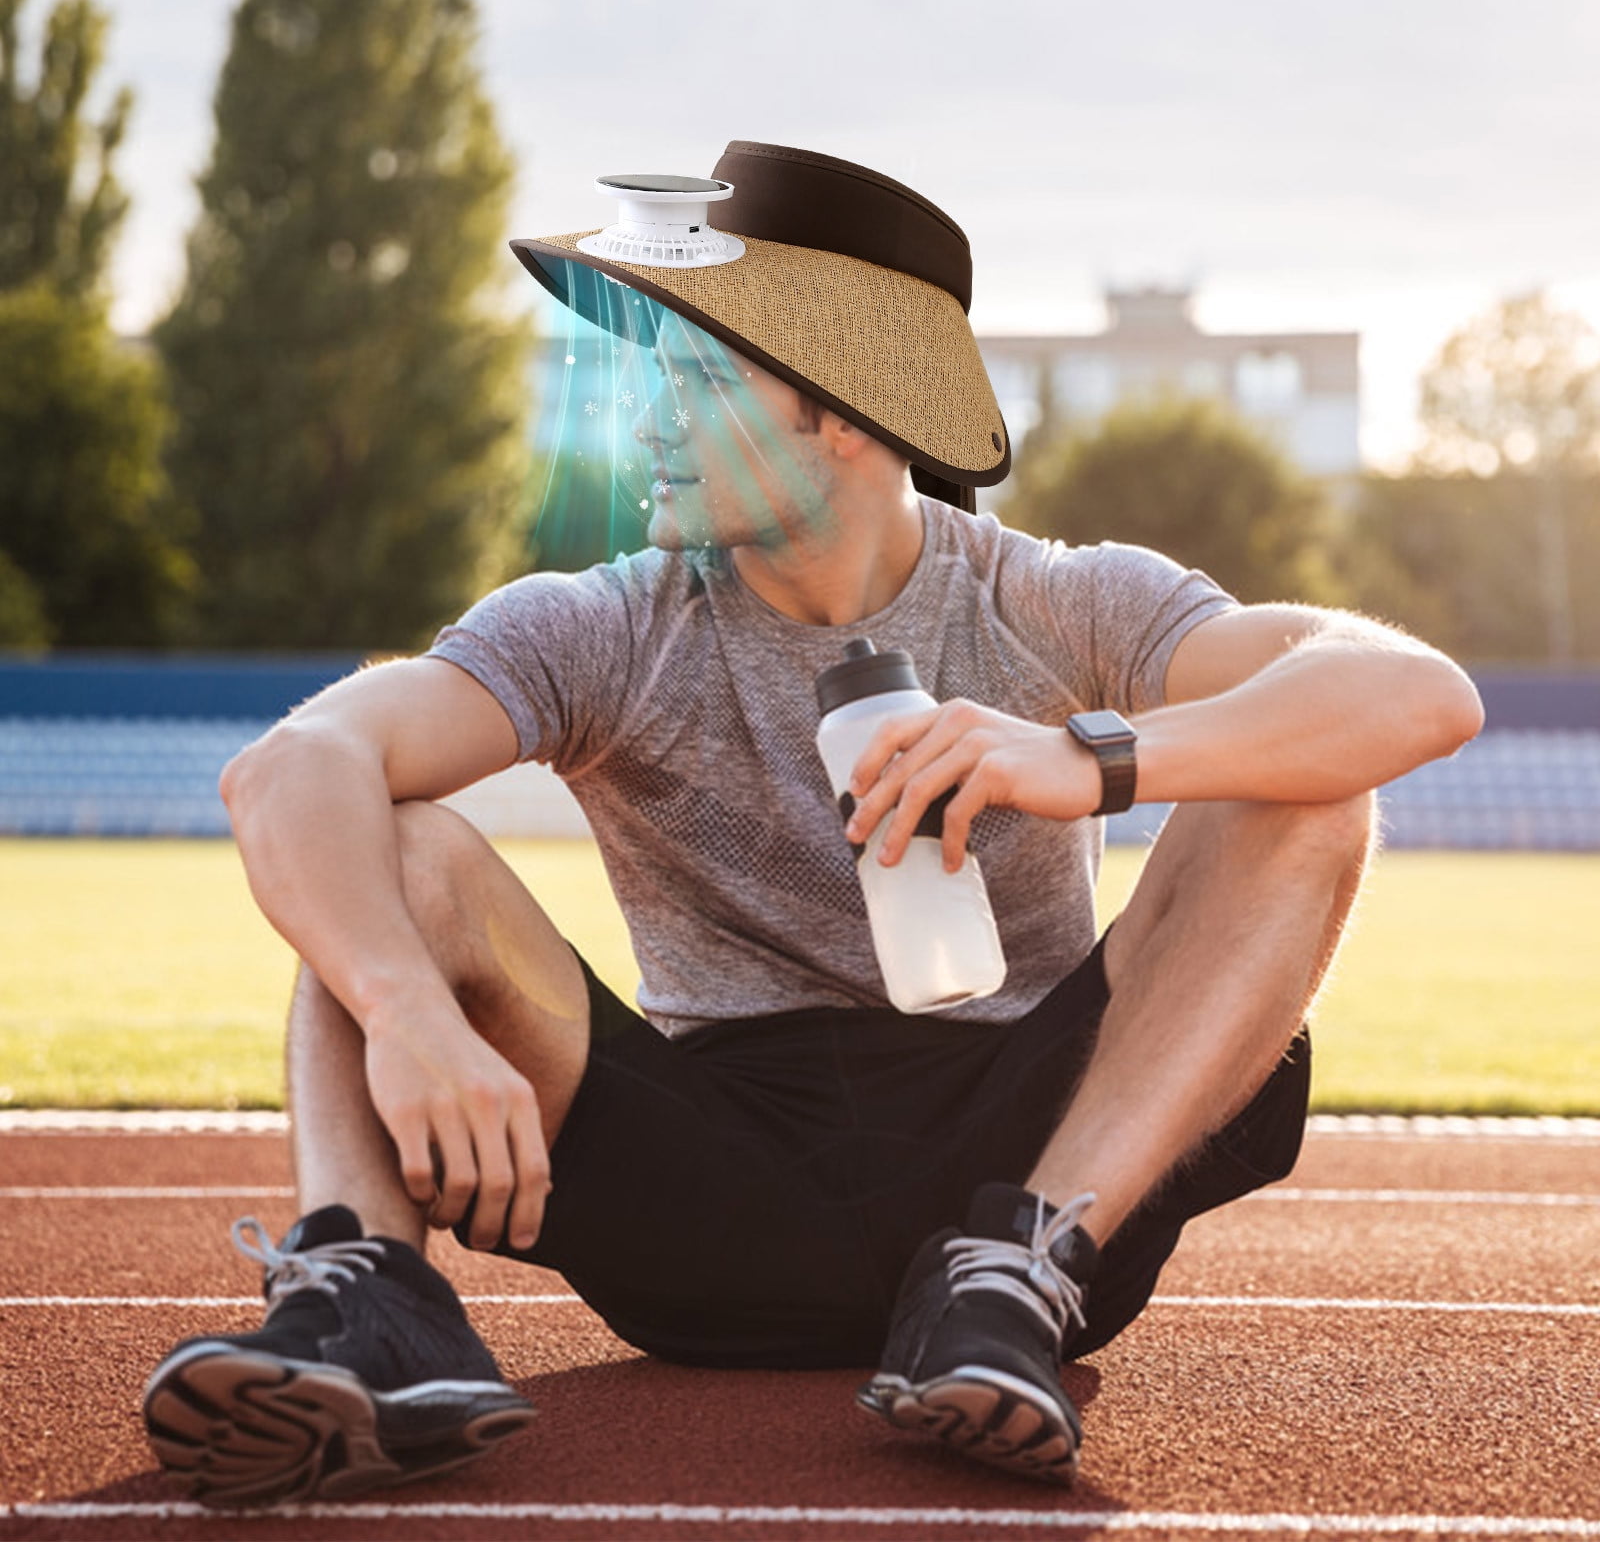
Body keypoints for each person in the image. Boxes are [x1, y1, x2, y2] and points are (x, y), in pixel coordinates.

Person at [141, 141, 1483, 1508]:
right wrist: (409, 1013)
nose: (646, 427)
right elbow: (295, 765)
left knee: (1307, 791)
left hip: (1024, 1156)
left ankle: (1016, 1268)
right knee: (399, 839)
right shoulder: (607, 623)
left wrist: (1086, 759)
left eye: (698, 379)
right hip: (710, 1190)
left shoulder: (1049, 600)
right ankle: (368, 1299)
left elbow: (1413, 693)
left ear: (840, 405)